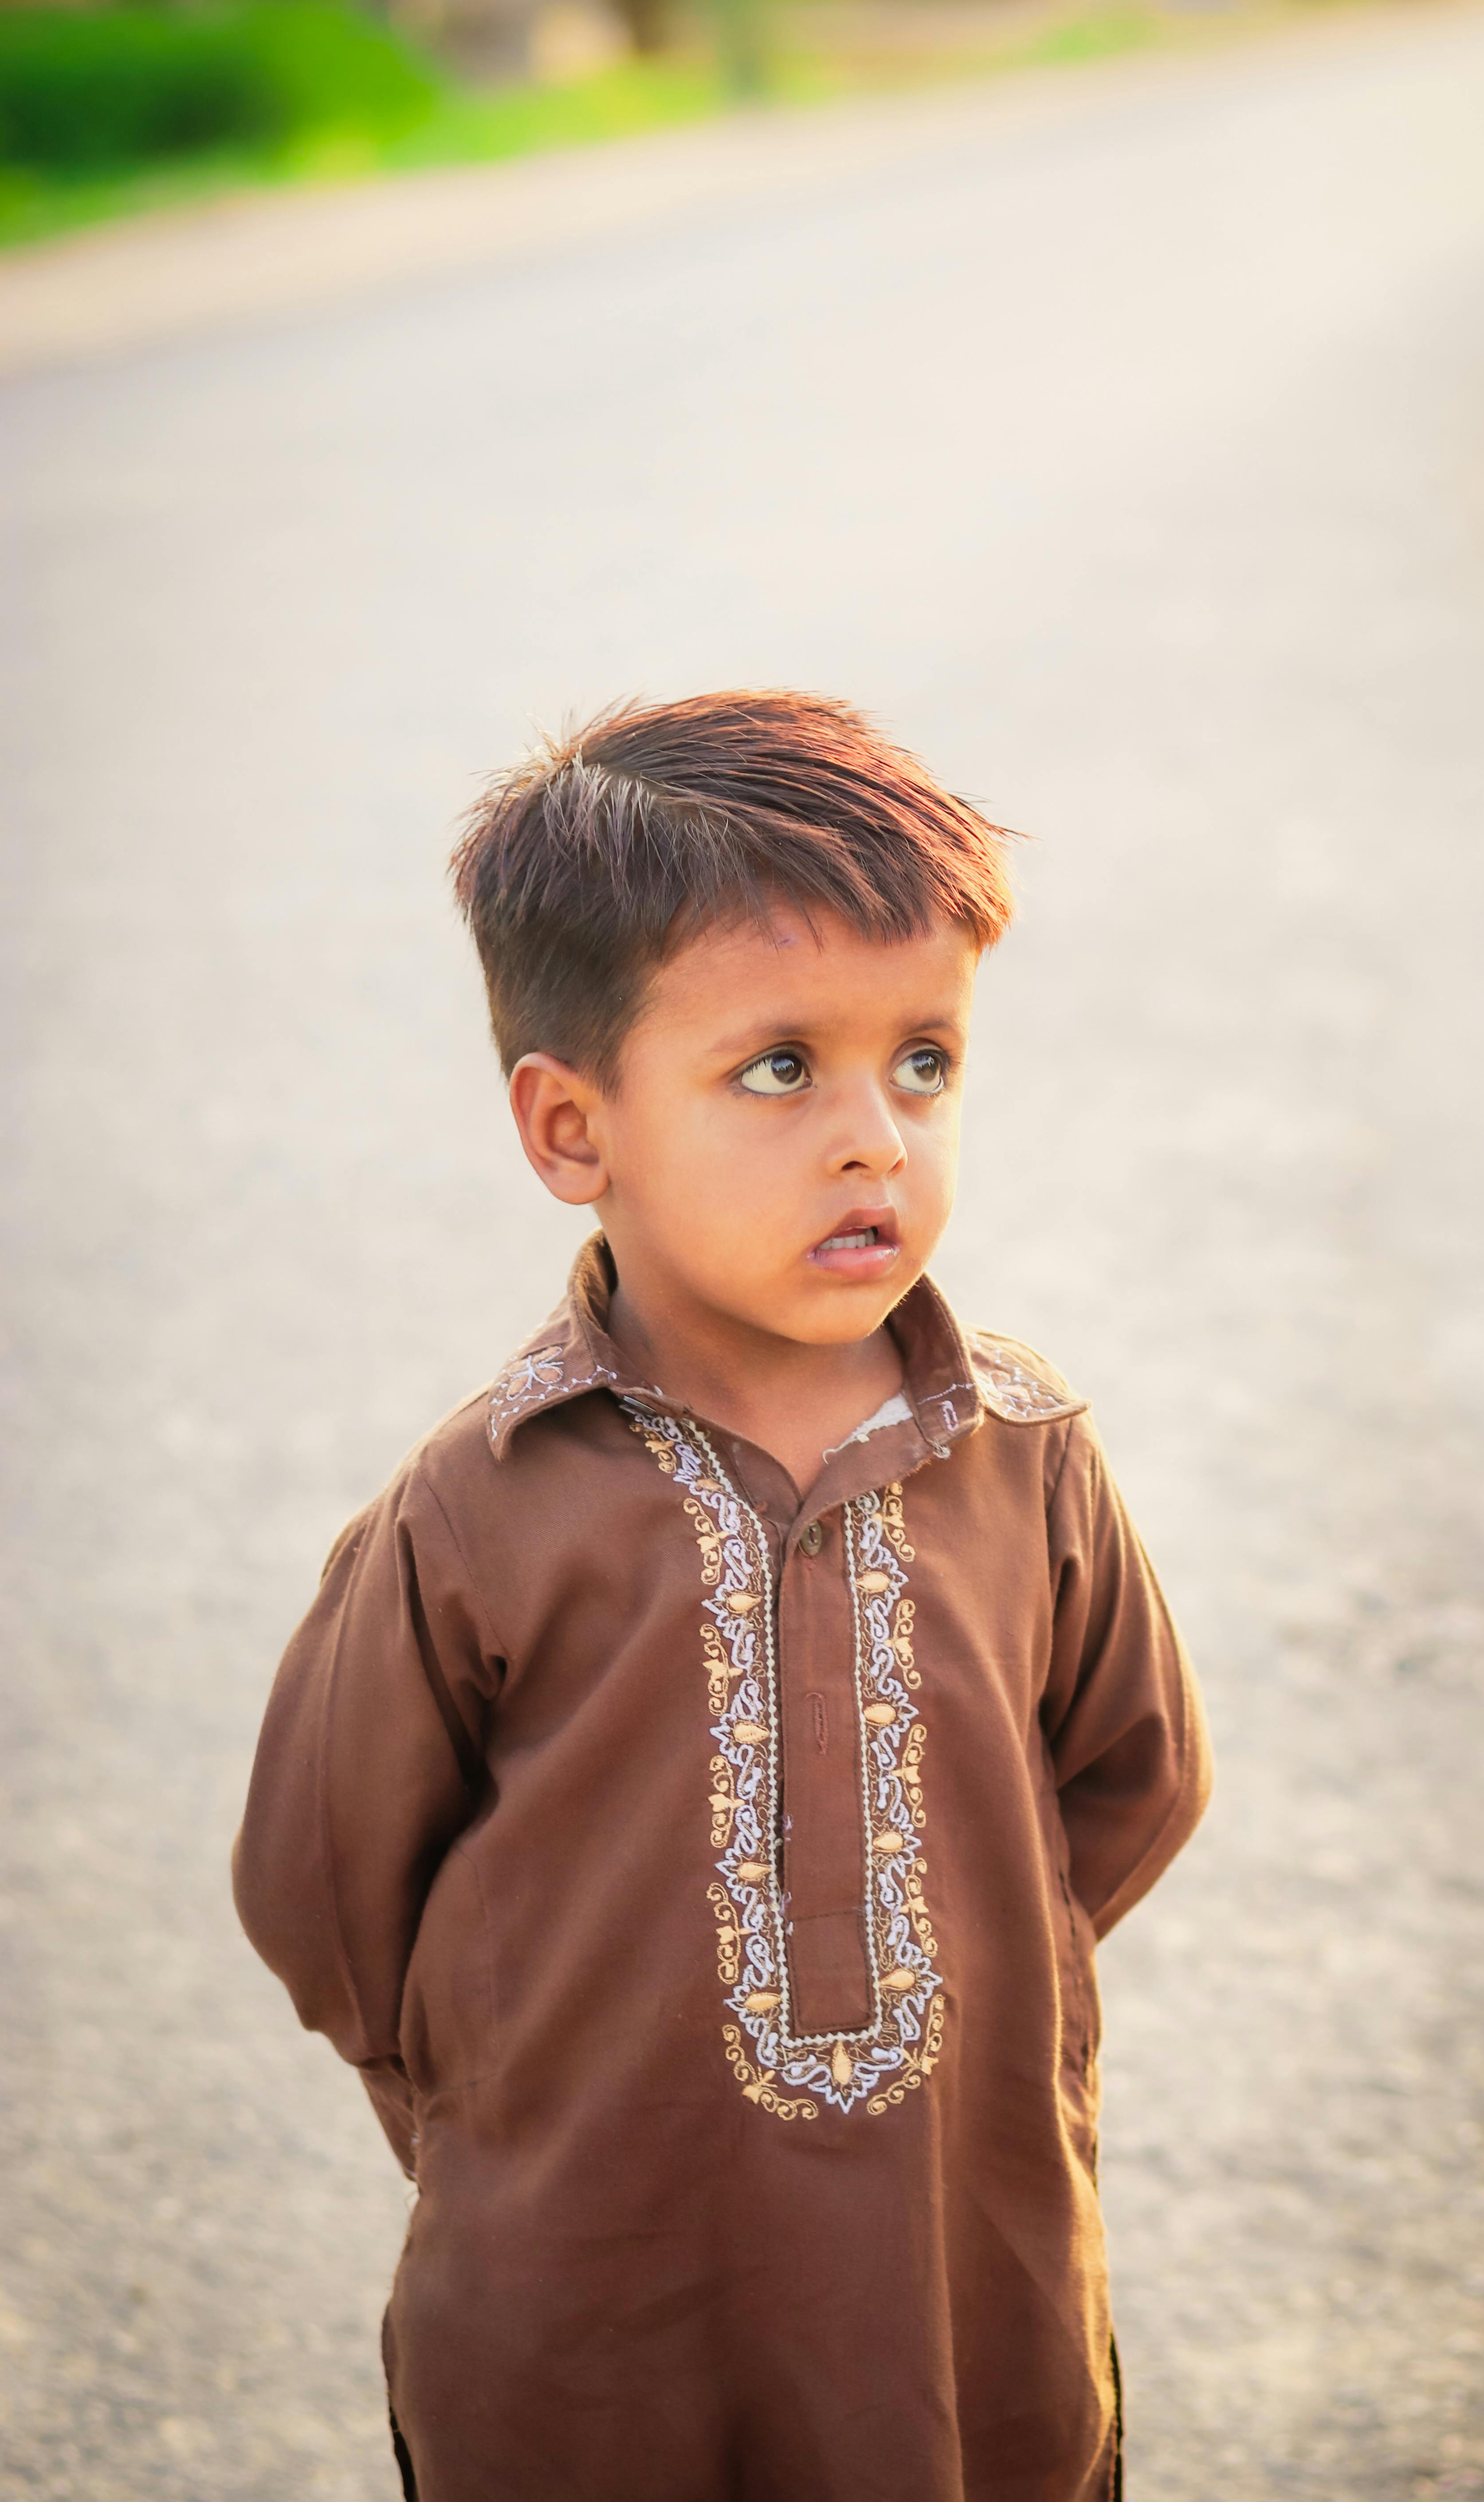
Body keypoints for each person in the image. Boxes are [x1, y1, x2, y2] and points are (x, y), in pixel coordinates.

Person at [232, 690, 1211, 2502]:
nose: (875, 1140)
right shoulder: (487, 1505)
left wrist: (974, 1964)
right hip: (586, 2302)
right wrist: (531, 2098)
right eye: (780, 1070)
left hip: (952, 2276)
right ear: (570, 1129)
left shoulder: (1021, 1452)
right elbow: (324, 1891)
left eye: (923, 1062)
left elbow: (1127, 1779)